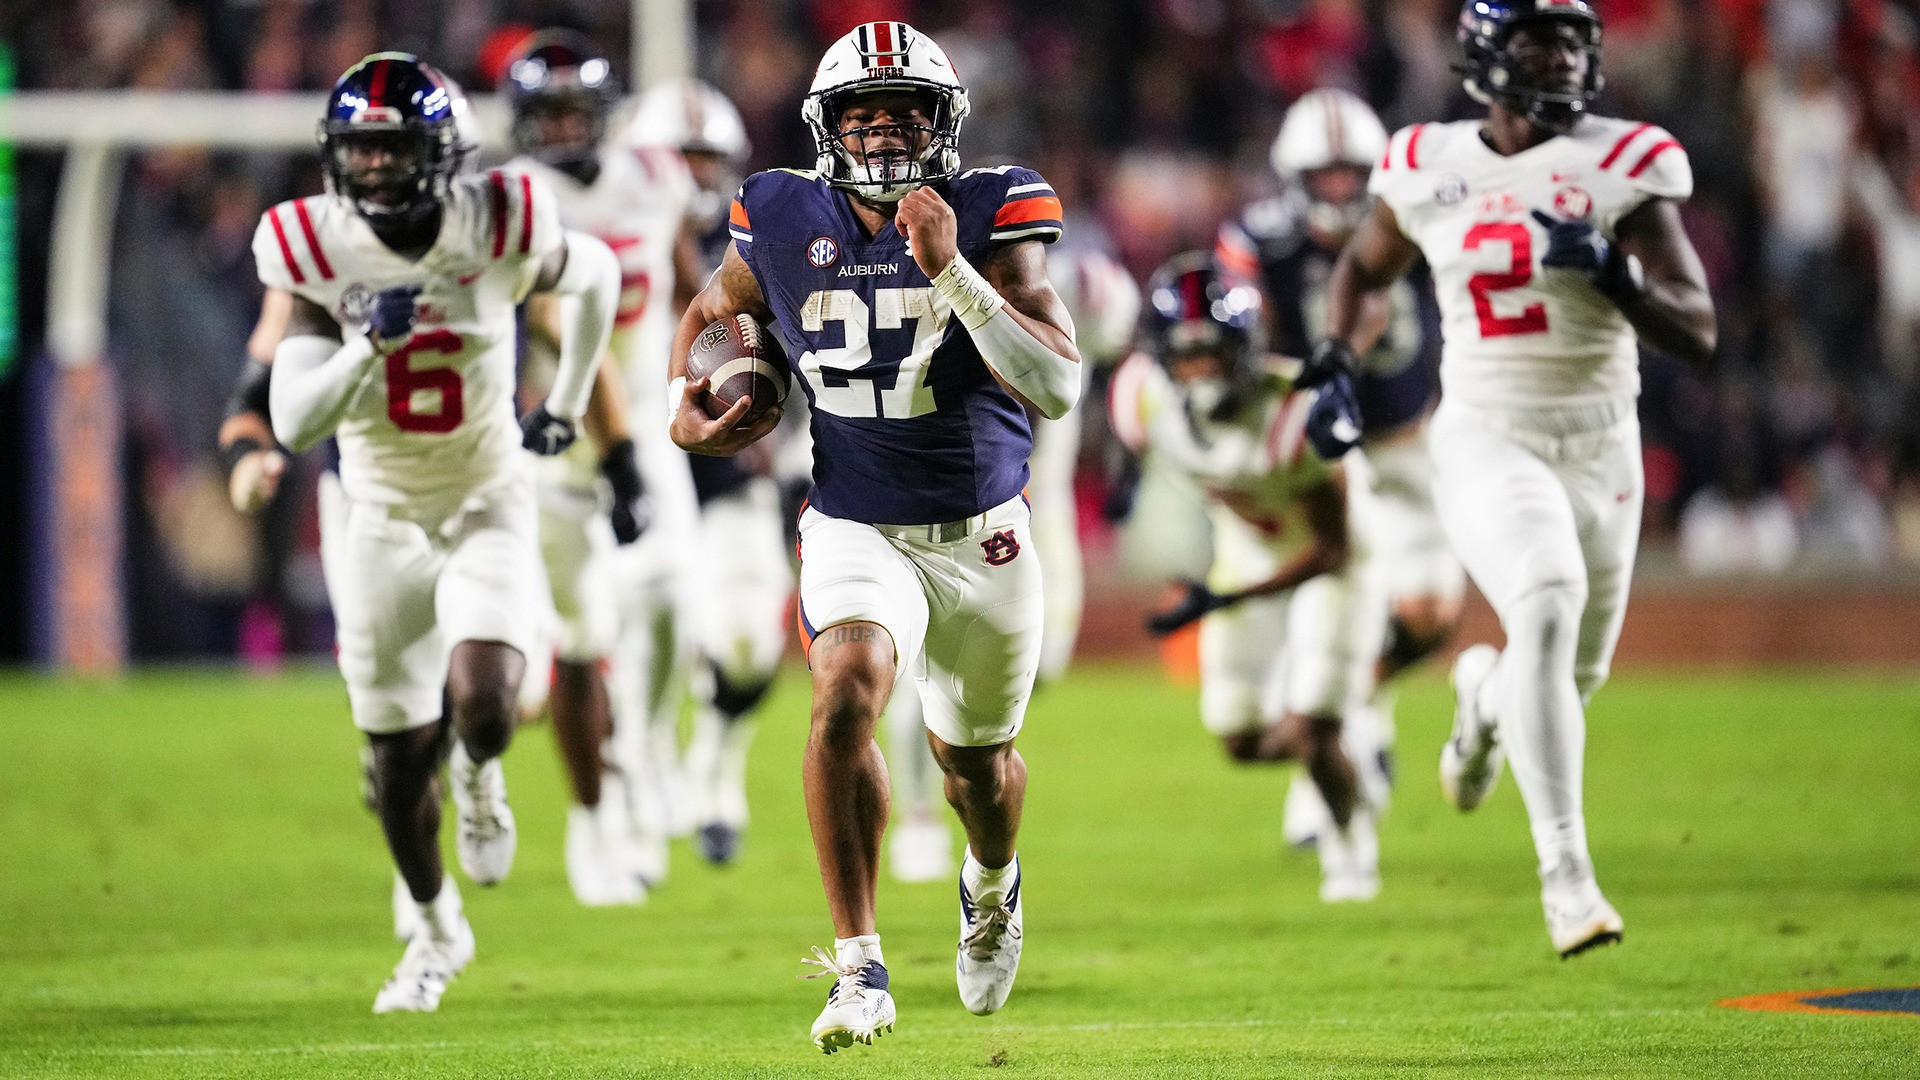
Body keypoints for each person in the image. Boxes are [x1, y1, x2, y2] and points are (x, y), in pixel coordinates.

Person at [668, 21, 1078, 1052]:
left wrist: (952, 272)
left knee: (975, 769)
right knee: (844, 687)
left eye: (906, 112)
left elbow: (1059, 383)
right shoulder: (777, 210)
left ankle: (992, 881)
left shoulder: (992, 209)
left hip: (984, 535)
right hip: (855, 522)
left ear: (944, 125)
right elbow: (717, 310)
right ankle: (860, 967)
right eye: (864, 113)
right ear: (827, 127)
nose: (886, 131)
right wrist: (689, 404)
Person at [1316, 0, 1715, 957]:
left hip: (1601, 444)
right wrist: (1337, 358)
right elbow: (1365, 271)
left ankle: (1485, 700)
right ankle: (1567, 877)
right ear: (1489, 56)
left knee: (1573, 674)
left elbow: (1698, 328)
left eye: (1577, 44)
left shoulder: (1623, 161)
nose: (1567, 62)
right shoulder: (1426, 163)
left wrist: (1618, 280)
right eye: (1544, 43)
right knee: (1546, 597)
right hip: (1488, 433)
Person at [258, 52, 620, 1010]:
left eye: (394, 148)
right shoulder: (313, 246)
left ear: (440, 152)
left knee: (488, 704)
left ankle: (482, 775)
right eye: (361, 150)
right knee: (391, 759)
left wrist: (572, 398)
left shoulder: (495, 223)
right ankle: (431, 927)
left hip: (485, 496)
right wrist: (359, 349)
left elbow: (598, 276)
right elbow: (294, 422)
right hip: (376, 518)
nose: (375, 169)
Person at [1217, 88, 1461, 847]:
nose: (1341, 190)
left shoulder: (1414, 223)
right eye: (1324, 176)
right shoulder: (1260, 241)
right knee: (1324, 607)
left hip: (1409, 440)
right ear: (1293, 177)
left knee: (1428, 619)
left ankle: (1357, 708)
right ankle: (1328, 753)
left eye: (1353, 173)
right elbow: (1243, 334)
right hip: (1318, 454)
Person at [502, 31, 707, 892]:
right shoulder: (515, 201)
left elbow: (693, 280)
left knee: (672, 600)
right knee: (584, 634)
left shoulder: (656, 179)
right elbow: (558, 325)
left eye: (572, 111)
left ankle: (646, 754)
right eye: (543, 113)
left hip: (651, 425)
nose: (559, 128)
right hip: (557, 434)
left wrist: (732, 362)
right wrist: (616, 450)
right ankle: (593, 823)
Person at [1109, 252, 1379, 902]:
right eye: (1185, 355)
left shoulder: (1298, 416)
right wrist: (1124, 489)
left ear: (1247, 347)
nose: (1198, 370)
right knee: (1240, 737)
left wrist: (1225, 595)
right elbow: (1134, 446)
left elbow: (1333, 551)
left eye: (1212, 353)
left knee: (1312, 723)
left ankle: (1350, 841)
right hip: (1247, 551)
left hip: (1330, 560)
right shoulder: (1143, 400)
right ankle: (1347, 744)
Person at [629, 77, 794, 867]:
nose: (692, 178)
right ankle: (649, 769)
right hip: (635, 461)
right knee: (642, 632)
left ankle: (715, 766)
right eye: (678, 157)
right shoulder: (605, 239)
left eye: (706, 160)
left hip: (730, 463)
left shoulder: (756, 251)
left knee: (746, 642)